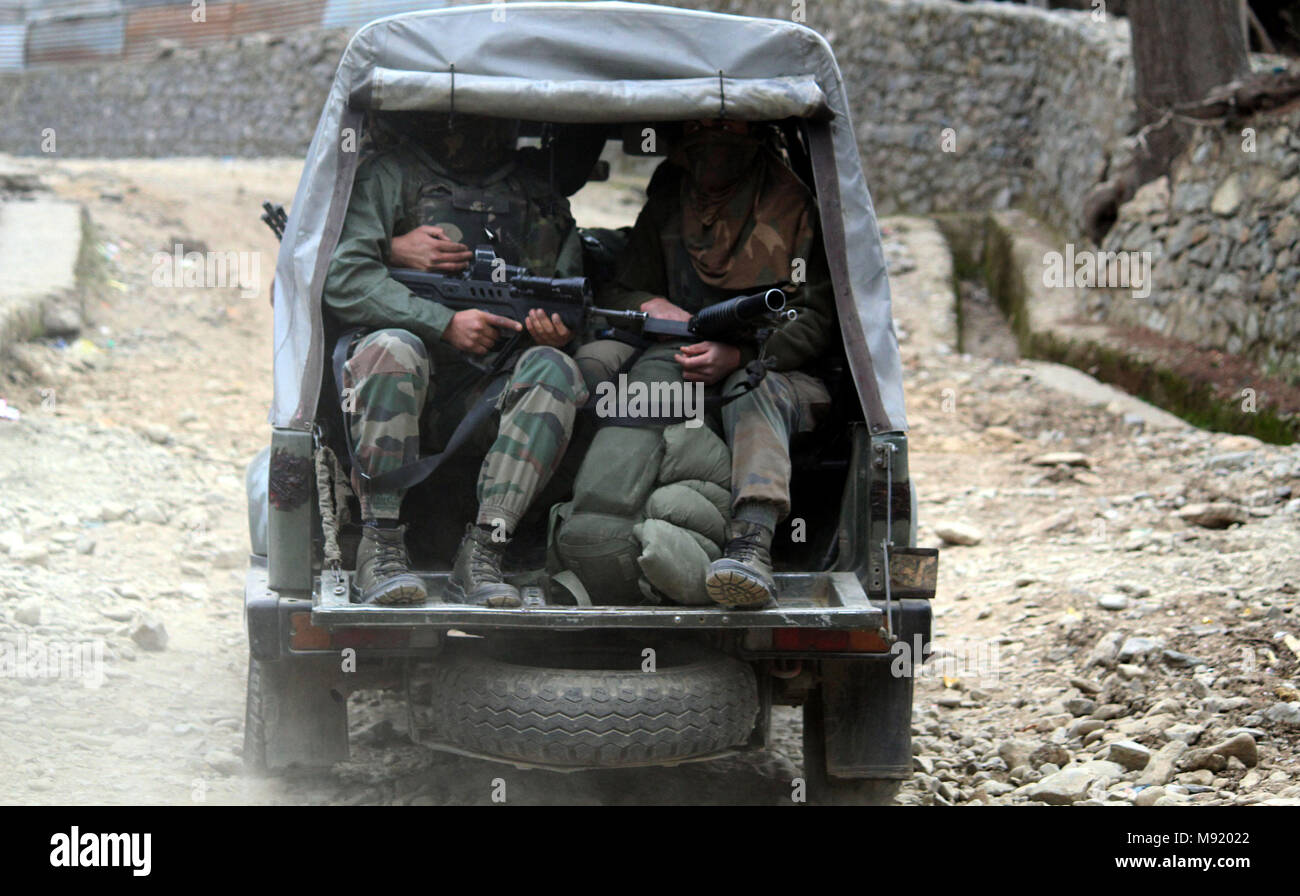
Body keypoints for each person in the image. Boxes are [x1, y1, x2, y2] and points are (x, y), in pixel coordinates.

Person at [323, 113, 588, 608]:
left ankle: (486, 552)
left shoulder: (537, 194)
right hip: (401, 384)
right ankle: (379, 547)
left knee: (555, 367)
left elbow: (570, 296)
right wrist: (443, 322)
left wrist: (556, 330)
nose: (470, 130)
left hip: (489, 389)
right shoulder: (389, 177)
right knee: (393, 348)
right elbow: (344, 276)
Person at [577, 118, 835, 609]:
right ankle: (592, 532)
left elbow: (817, 319)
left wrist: (742, 355)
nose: (712, 157)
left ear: (754, 146)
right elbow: (626, 285)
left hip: (778, 368)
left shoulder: (796, 210)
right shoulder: (672, 204)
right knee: (623, 384)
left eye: (728, 142)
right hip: (680, 355)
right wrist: (654, 304)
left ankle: (751, 545)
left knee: (755, 390)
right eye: (700, 143)